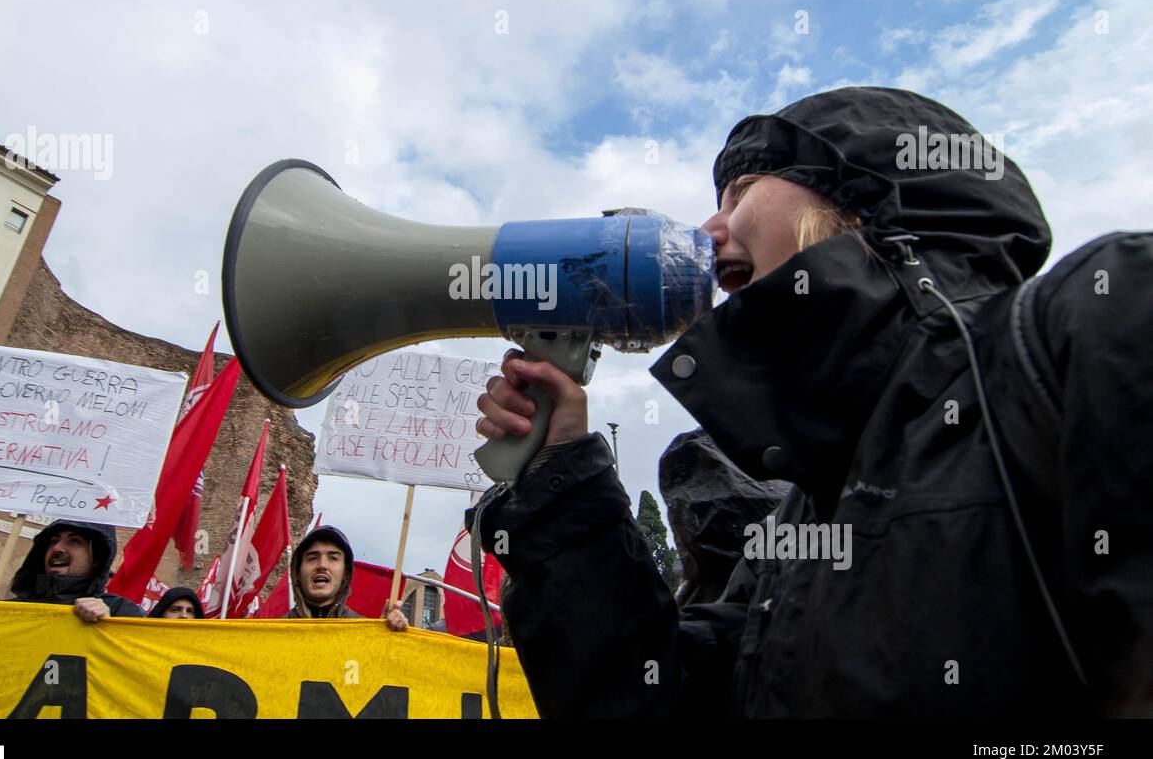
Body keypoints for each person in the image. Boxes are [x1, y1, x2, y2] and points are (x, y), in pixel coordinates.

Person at [471, 86, 1153, 717]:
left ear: (862, 200)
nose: (709, 230)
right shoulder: (803, 521)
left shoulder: (1094, 323)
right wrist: (566, 488)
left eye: (740, 192)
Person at [8, 519, 145, 622]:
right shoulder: (8, 610)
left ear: (96, 558)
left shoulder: (121, 611)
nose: (57, 548)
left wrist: (108, 628)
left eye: (74, 541)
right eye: (53, 540)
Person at [287, 525, 408, 631]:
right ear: (297, 572)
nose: (322, 565)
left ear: (346, 573)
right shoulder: (273, 634)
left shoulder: (364, 634)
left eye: (333, 558)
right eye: (312, 558)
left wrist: (387, 639)